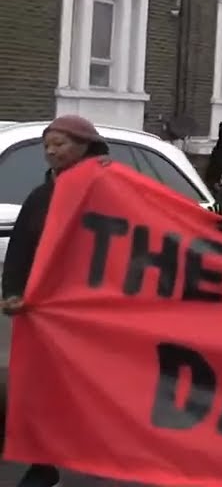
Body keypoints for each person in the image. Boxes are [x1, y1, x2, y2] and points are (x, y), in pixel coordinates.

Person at [1, 115, 111, 487]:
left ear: (85, 147)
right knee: (41, 391)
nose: (51, 151)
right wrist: (13, 291)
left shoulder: (107, 193)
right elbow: (20, 250)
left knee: (92, 390)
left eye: (60, 143)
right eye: (47, 145)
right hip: (46, 314)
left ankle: (110, 458)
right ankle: (43, 463)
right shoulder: (41, 198)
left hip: (92, 313)